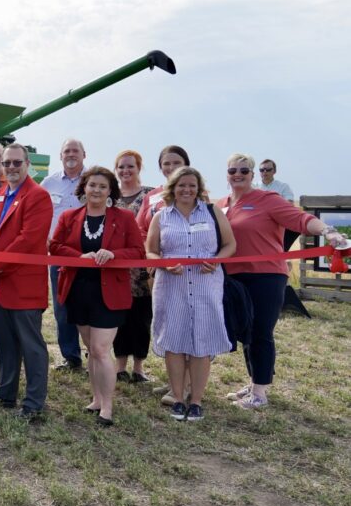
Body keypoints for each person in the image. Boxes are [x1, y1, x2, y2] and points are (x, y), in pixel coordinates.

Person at [219, 153, 347, 410]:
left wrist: (328, 231)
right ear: (227, 174)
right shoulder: (222, 204)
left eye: (244, 170)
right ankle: (255, 382)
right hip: (233, 276)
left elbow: (301, 220)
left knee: (261, 331)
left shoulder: (268, 199)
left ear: (252, 175)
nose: (238, 175)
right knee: (245, 331)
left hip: (266, 276)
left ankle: (260, 393)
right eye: (233, 170)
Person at [49, 167, 145, 426]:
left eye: (103, 186)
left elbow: (138, 251)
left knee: (101, 349)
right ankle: (96, 398)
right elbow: (55, 246)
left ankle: (108, 406)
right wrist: (78, 257)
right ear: (84, 187)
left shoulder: (124, 218)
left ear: (110, 191)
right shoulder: (69, 216)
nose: (97, 190)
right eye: (92, 185)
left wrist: (114, 255)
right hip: (78, 291)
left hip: (109, 293)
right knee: (91, 349)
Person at [145, 167, 235, 422]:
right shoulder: (161, 216)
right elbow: (151, 251)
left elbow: (230, 244)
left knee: (201, 341)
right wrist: (164, 264)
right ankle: (177, 397)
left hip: (206, 285)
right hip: (171, 286)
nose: (187, 190)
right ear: (173, 188)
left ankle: (196, 401)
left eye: (192, 185)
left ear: (199, 188)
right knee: (174, 340)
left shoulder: (212, 212)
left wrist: (216, 260)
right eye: (181, 185)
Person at [0, 144, 53, 420]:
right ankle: (6, 392)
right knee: (5, 342)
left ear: (27, 164)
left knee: (31, 346)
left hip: (23, 285)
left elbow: (28, 240)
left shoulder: (38, 196)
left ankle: (33, 403)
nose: (11, 168)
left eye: (17, 163)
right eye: (7, 163)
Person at [134, 145, 191, 405]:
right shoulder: (153, 196)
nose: (171, 167)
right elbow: (140, 229)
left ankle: (187, 384)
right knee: (168, 325)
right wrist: (151, 257)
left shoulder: (195, 193)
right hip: (158, 271)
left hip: (188, 273)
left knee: (186, 326)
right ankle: (173, 380)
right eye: (166, 163)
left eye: (176, 162)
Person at [41, 138, 88, 371]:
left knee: (90, 304)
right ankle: (71, 356)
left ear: (84, 155)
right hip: (58, 253)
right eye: (66, 151)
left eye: (75, 151)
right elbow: (39, 214)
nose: (71, 154)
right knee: (62, 306)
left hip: (89, 253)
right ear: (60, 156)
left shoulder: (94, 179)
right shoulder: (48, 183)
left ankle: (95, 352)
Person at [112, 150, 154, 383]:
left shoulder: (151, 195)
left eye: (130, 166)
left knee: (141, 319)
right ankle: (120, 366)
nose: (125, 171)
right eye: (121, 167)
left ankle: (138, 368)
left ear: (139, 168)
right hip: (116, 268)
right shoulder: (110, 195)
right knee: (119, 319)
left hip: (143, 270)